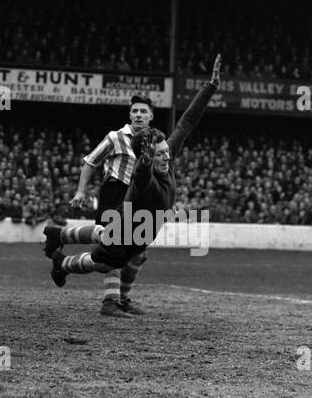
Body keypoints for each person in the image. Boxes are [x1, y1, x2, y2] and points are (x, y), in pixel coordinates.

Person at [47, 56, 220, 316]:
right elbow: (102, 164)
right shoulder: (135, 161)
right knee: (105, 259)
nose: (167, 156)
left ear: (151, 117)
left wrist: (210, 87)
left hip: (142, 219)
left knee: (128, 255)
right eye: (160, 154)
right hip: (123, 204)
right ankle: (97, 290)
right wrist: (83, 190)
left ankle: (62, 241)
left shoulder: (164, 147)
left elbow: (186, 122)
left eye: (167, 152)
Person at [43, 93, 156, 311]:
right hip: (115, 192)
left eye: (143, 111)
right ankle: (111, 302)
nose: (138, 115)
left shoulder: (154, 141)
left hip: (139, 199)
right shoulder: (116, 137)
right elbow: (90, 161)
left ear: (151, 116)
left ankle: (63, 259)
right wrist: (80, 192)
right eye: (135, 111)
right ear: (129, 115)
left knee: (139, 254)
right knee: (112, 248)